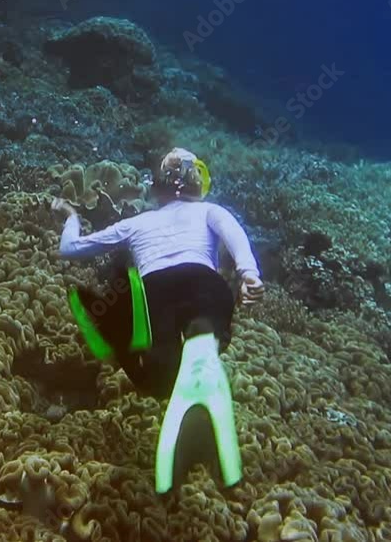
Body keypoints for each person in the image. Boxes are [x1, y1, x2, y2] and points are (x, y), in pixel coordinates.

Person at [52, 147, 265, 399]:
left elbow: (69, 248)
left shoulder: (137, 223)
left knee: (156, 384)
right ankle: (204, 331)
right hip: (206, 286)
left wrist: (71, 216)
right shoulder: (209, 210)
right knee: (210, 322)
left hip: (155, 293)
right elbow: (234, 234)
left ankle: (136, 353)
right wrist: (249, 273)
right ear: (197, 182)